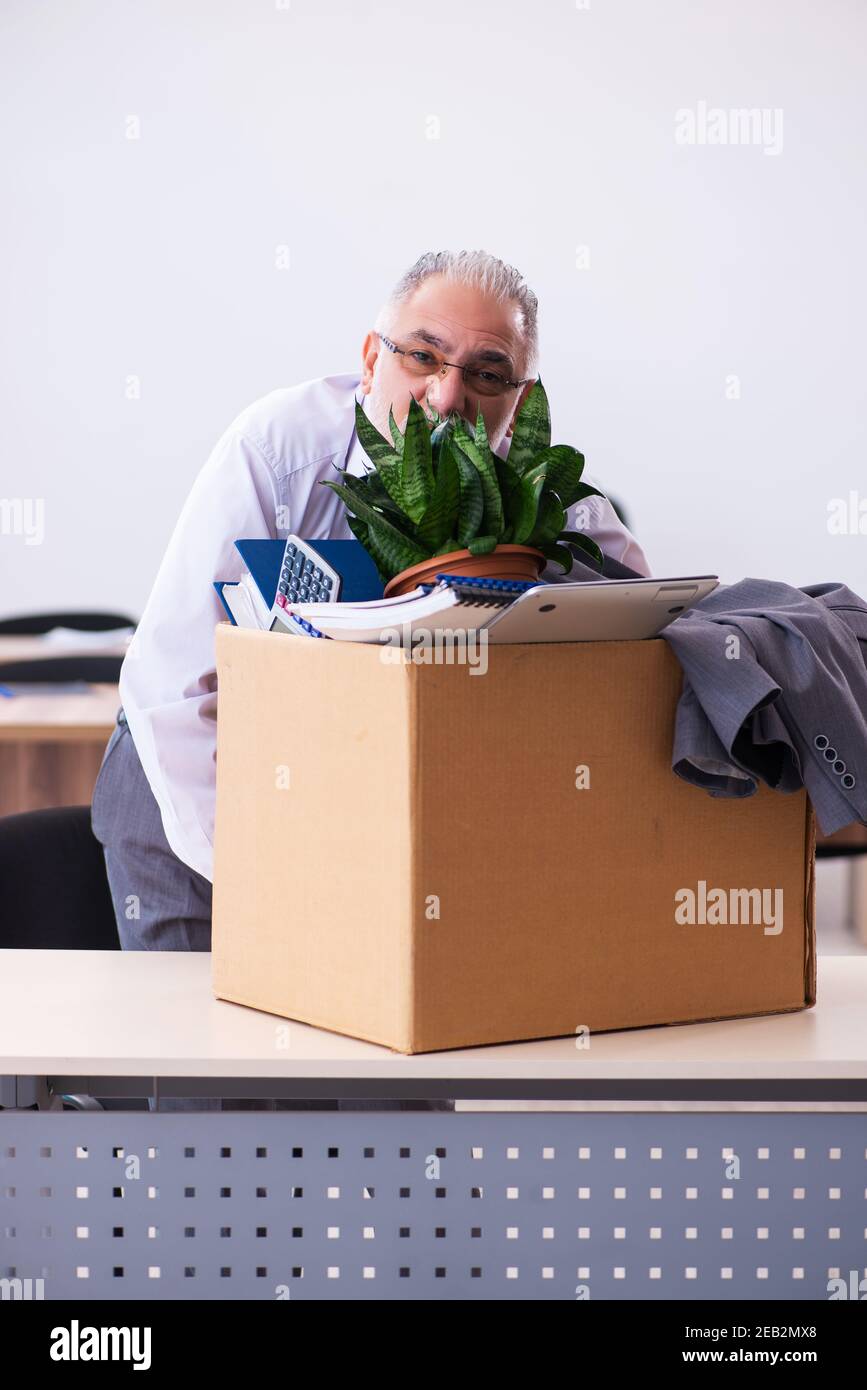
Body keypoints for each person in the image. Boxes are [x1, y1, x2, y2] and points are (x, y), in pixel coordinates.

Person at [91, 249, 651, 952]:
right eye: (423, 356)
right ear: (370, 359)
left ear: (521, 398)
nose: (448, 398)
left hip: (372, 801)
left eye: (486, 373)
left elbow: (645, 624)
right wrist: (257, 872)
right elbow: (174, 685)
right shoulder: (277, 449)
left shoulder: (535, 490)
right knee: (202, 1045)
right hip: (198, 780)